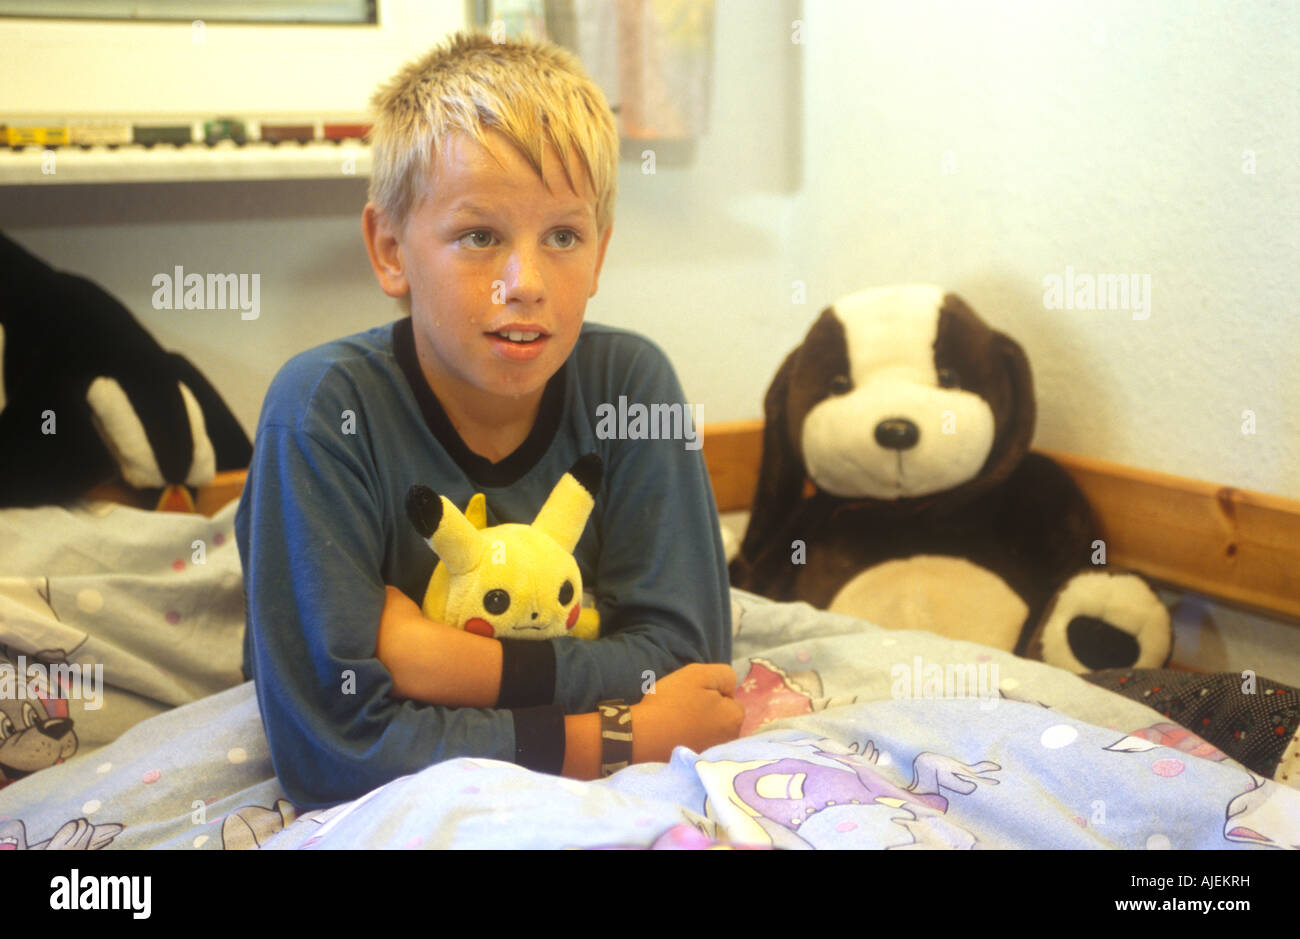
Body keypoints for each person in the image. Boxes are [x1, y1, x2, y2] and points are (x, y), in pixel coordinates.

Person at [235, 31, 744, 809]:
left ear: (600, 254)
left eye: (564, 237)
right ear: (391, 250)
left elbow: (689, 667)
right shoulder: (319, 412)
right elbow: (334, 747)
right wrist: (616, 736)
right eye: (480, 237)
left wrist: (440, 662)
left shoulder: (633, 386)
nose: (526, 283)